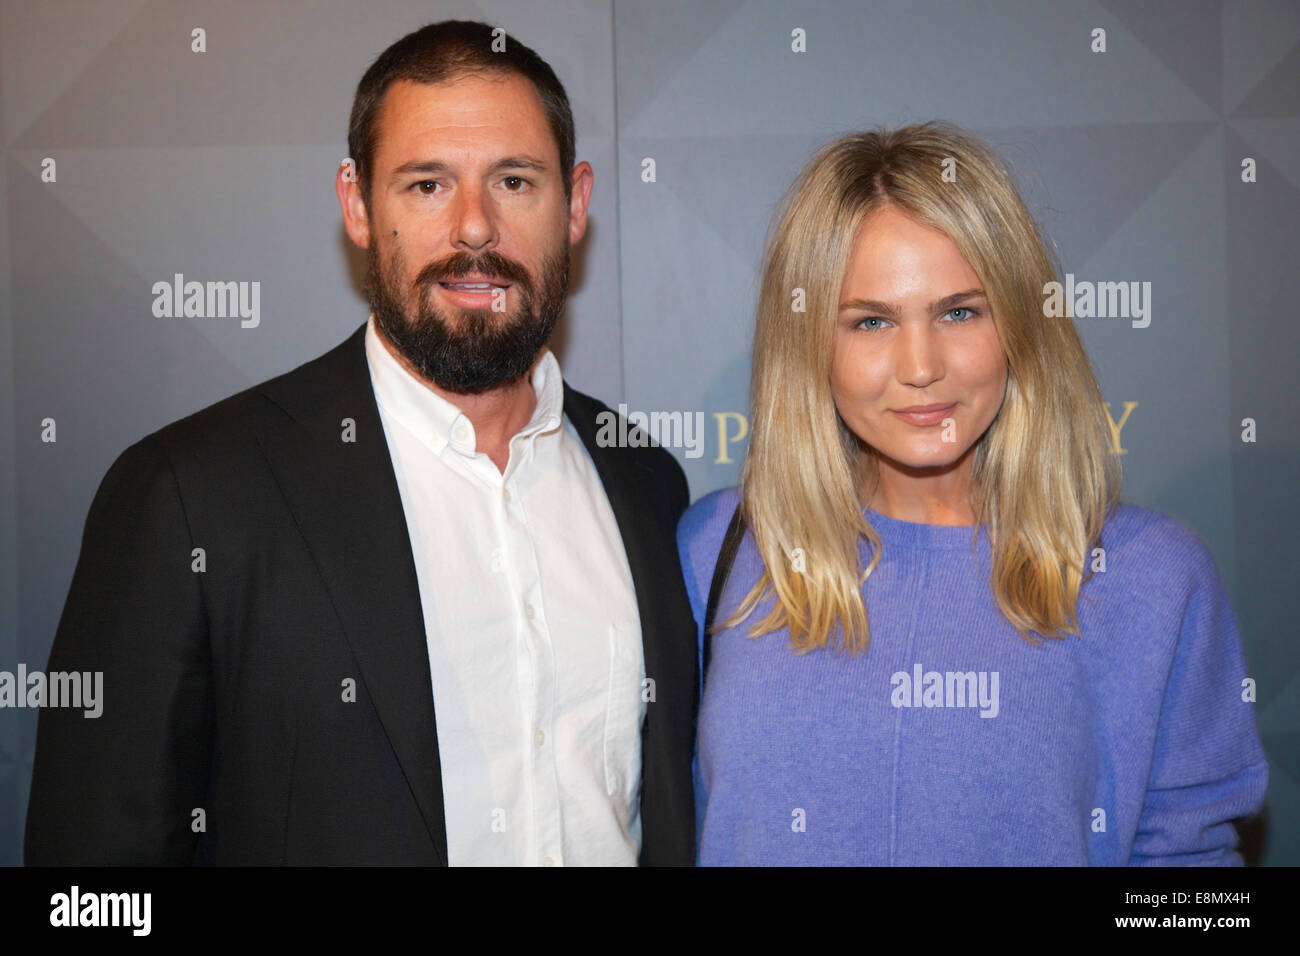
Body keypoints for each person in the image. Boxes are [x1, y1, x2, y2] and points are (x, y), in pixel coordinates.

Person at [25, 19, 697, 866]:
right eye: (426, 186)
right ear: (357, 206)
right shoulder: (192, 497)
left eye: (515, 181)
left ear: (576, 205)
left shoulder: (645, 482)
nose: (475, 229)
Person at [677, 122, 1268, 865]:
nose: (920, 366)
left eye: (960, 311)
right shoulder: (717, 553)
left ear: (1020, 322)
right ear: (807, 345)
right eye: (870, 321)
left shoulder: (1151, 579)